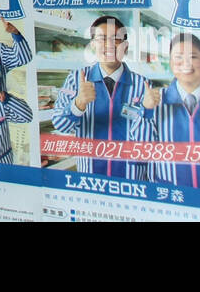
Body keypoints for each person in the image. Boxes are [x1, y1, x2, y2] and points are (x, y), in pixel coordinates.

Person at [50, 15, 152, 179]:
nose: (109, 45)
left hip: (132, 179)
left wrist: (147, 113)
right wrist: (78, 104)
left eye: (116, 39)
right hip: (91, 178)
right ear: (92, 44)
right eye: (102, 39)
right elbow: (60, 124)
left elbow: (150, 139)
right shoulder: (76, 79)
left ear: (125, 46)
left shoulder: (143, 86)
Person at [141, 34, 200, 190]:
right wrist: (146, 112)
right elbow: (139, 152)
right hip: (169, 195)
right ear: (171, 64)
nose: (186, 64)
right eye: (178, 58)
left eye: (193, 57)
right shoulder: (156, 103)